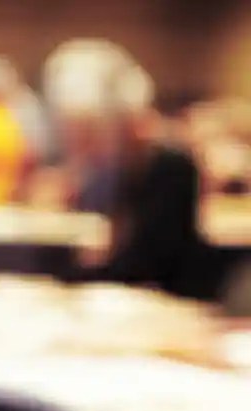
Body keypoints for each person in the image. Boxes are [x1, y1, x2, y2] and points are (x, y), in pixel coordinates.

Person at [44, 42, 223, 300]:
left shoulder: (172, 166)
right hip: (131, 294)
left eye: (92, 133)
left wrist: (76, 279)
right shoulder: (119, 167)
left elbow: (150, 261)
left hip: (169, 301)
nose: (90, 147)